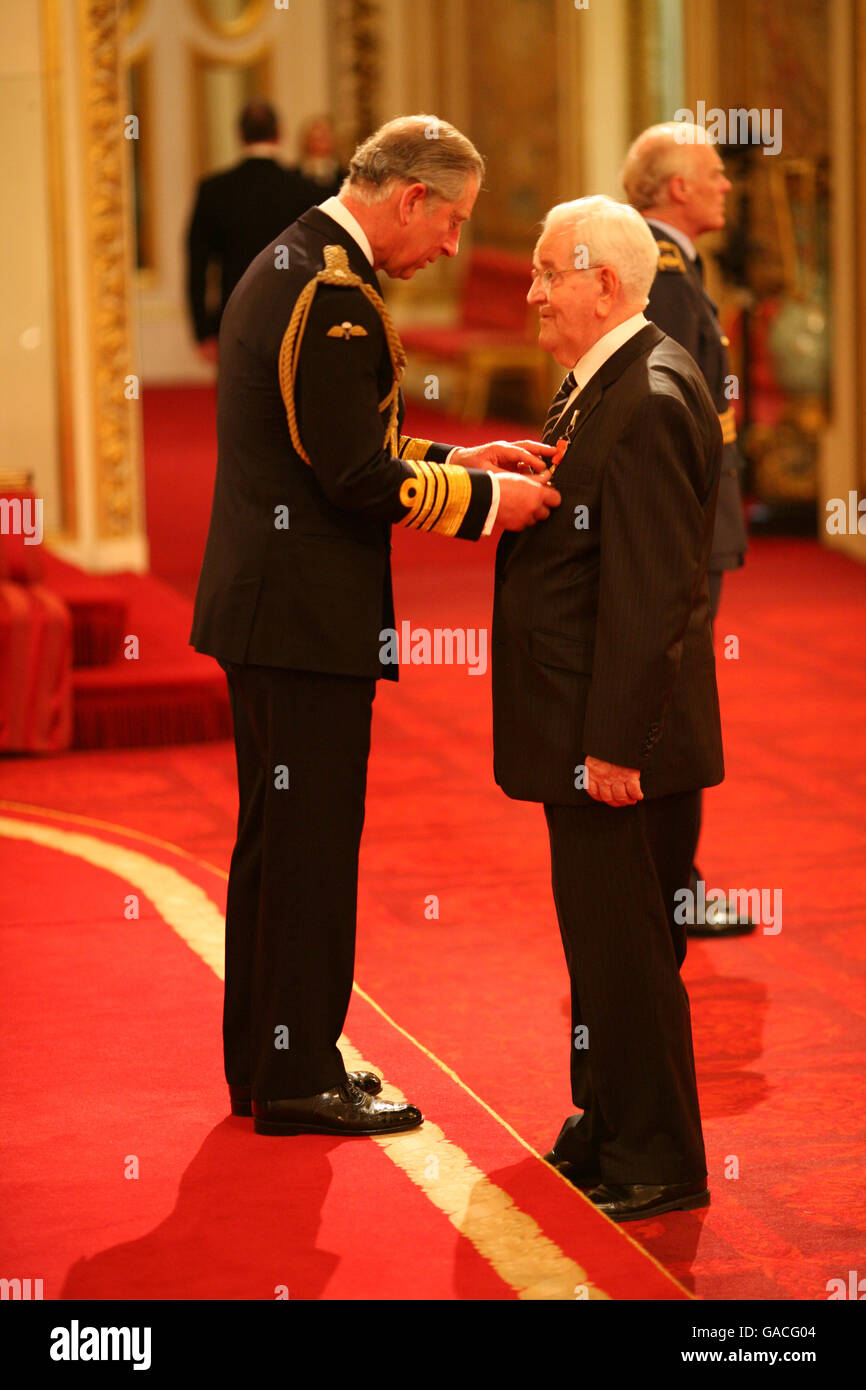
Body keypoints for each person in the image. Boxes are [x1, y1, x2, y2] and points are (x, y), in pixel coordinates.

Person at [191, 114, 560, 1139]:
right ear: (408, 199)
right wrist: (487, 509)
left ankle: (264, 1061)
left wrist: (460, 458)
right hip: (301, 620)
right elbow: (353, 475)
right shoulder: (336, 292)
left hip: (269, 610)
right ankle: (302, 1073)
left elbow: (345, 433)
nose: (448, 246)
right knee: (307, 848)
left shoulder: (294, 257)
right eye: (449, 224)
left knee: (274, 846)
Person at [491, 196, 723, 1221]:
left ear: (607, 284)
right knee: (596, 951)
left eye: (549, 272)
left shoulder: (651, 395)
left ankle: (656, 1156)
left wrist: (613, 746)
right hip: (584, 734)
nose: (532, 292)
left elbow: (652, 591)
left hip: (617, 747)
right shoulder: (606, 383)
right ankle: (606, 1121)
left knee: (626, 955)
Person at [622, 122, 752, 937]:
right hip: (690, 525)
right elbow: (673, 417)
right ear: (676, 190)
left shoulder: (678, 266)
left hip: (702, 520)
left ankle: (674, 876)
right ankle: (675, 883)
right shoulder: (664, 273)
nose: (727, 186)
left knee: (679, 705)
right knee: (677, 711)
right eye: (712, 173)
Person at [186, 100, 314, 361]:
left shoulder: (214, 190)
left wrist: (203, 330)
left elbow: (197, 265)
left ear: (240, 135)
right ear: (279, 133)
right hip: (294, 319)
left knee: (237, 399)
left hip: (234, 317)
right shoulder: (304, 190)